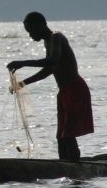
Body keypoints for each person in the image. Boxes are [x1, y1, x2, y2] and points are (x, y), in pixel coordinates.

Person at [6, 12, 93, 160]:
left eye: (31, 31)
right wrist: (22, 83)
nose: (30, 35)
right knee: (61, 135)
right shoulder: (48, 42)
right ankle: (64, 165)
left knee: (68, 134)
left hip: (75, 89)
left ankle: (75, 167)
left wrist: (22, 62)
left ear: (40, 25)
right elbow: (48, 70)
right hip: (64, 92)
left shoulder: (56, 37)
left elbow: (52, 61)